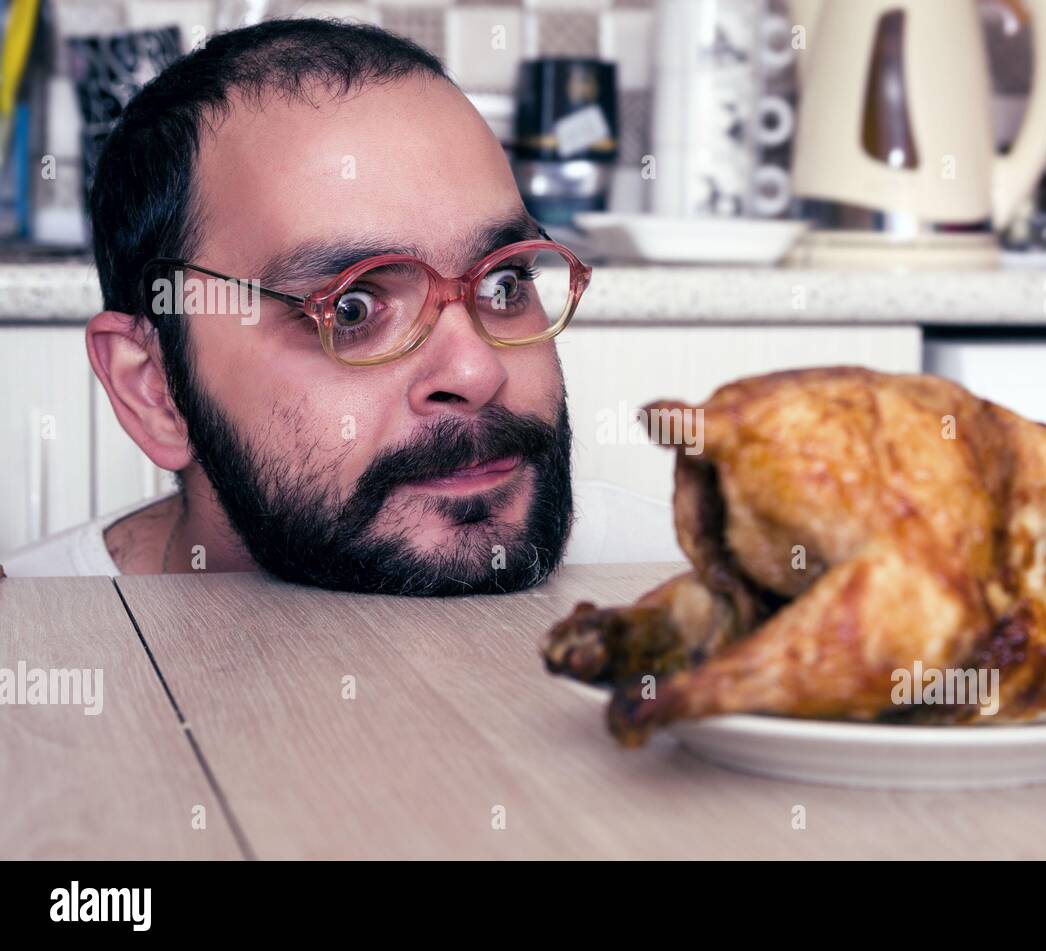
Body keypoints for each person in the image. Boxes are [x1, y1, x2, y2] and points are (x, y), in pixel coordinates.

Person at [2, 19, 682, 592]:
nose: (477, 372)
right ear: (154, 388)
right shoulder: (35, 657)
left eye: (503, 285)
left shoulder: (681, 580)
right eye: (353, 308)